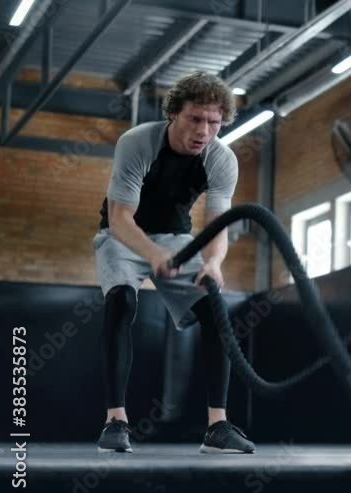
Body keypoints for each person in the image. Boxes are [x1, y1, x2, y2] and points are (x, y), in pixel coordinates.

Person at [92, 70, 255, 454]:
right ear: (173, 114)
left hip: (177, 239)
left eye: (213, 122)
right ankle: (116, 421)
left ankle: (217, 428)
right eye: (195, 119)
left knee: (216, 310)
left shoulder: (221, 159)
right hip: (123, 234)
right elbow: (119, 217)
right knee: (121, 301)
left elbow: (217, 225)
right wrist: (153, 254)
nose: (203, 131)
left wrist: (213, 264)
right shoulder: (137, 142)